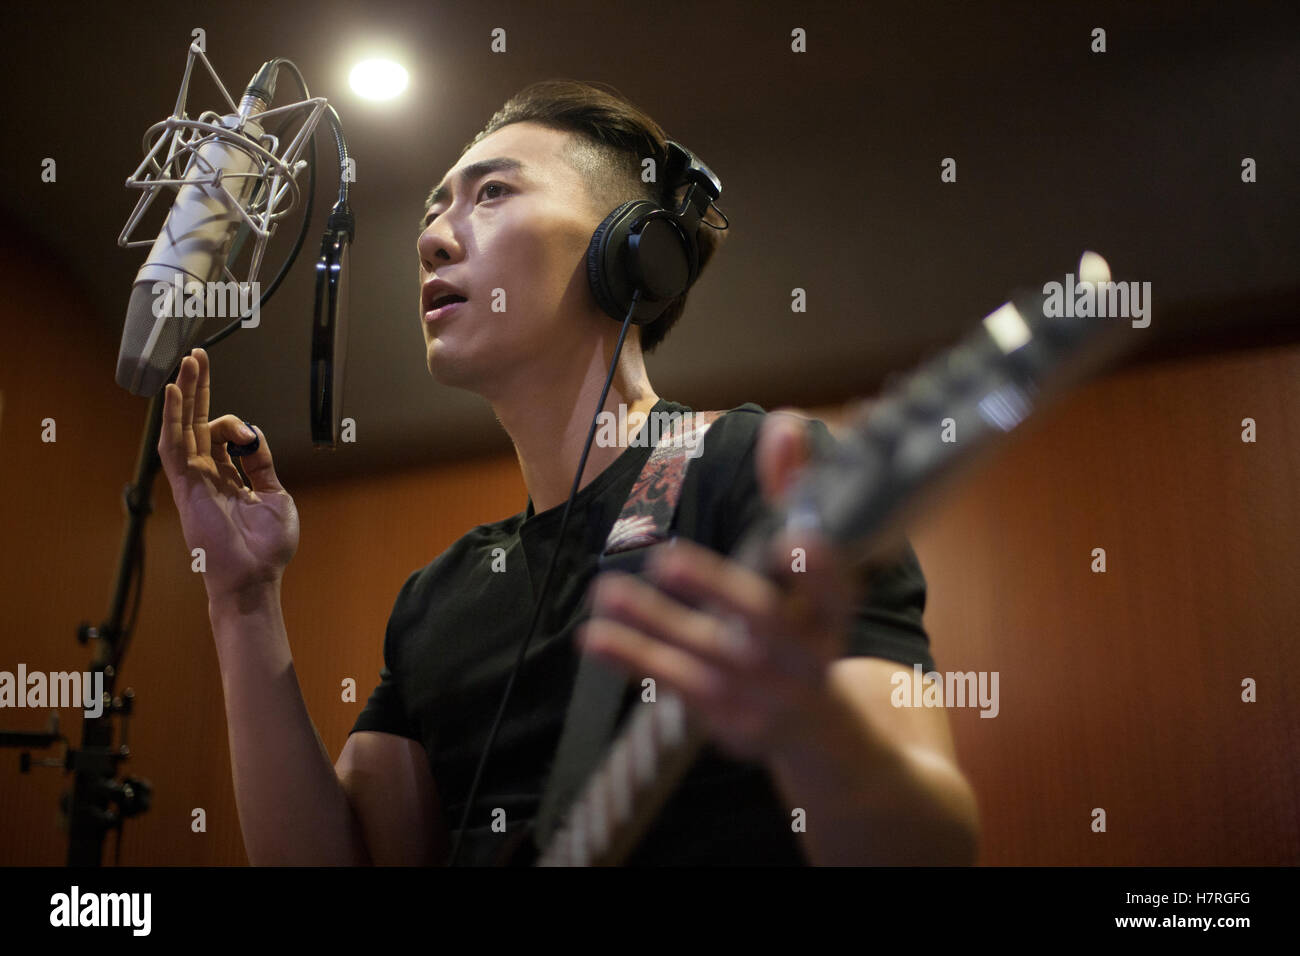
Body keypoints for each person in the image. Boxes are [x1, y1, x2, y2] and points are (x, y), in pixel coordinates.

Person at [157, 80, 979, 866]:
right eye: (434, 208)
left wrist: (817, 728)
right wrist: (242, 600)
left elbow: (931, 848)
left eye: (491, 194)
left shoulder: (756, 470)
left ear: (635, 253)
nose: (433, 237)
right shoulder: (439, 599)